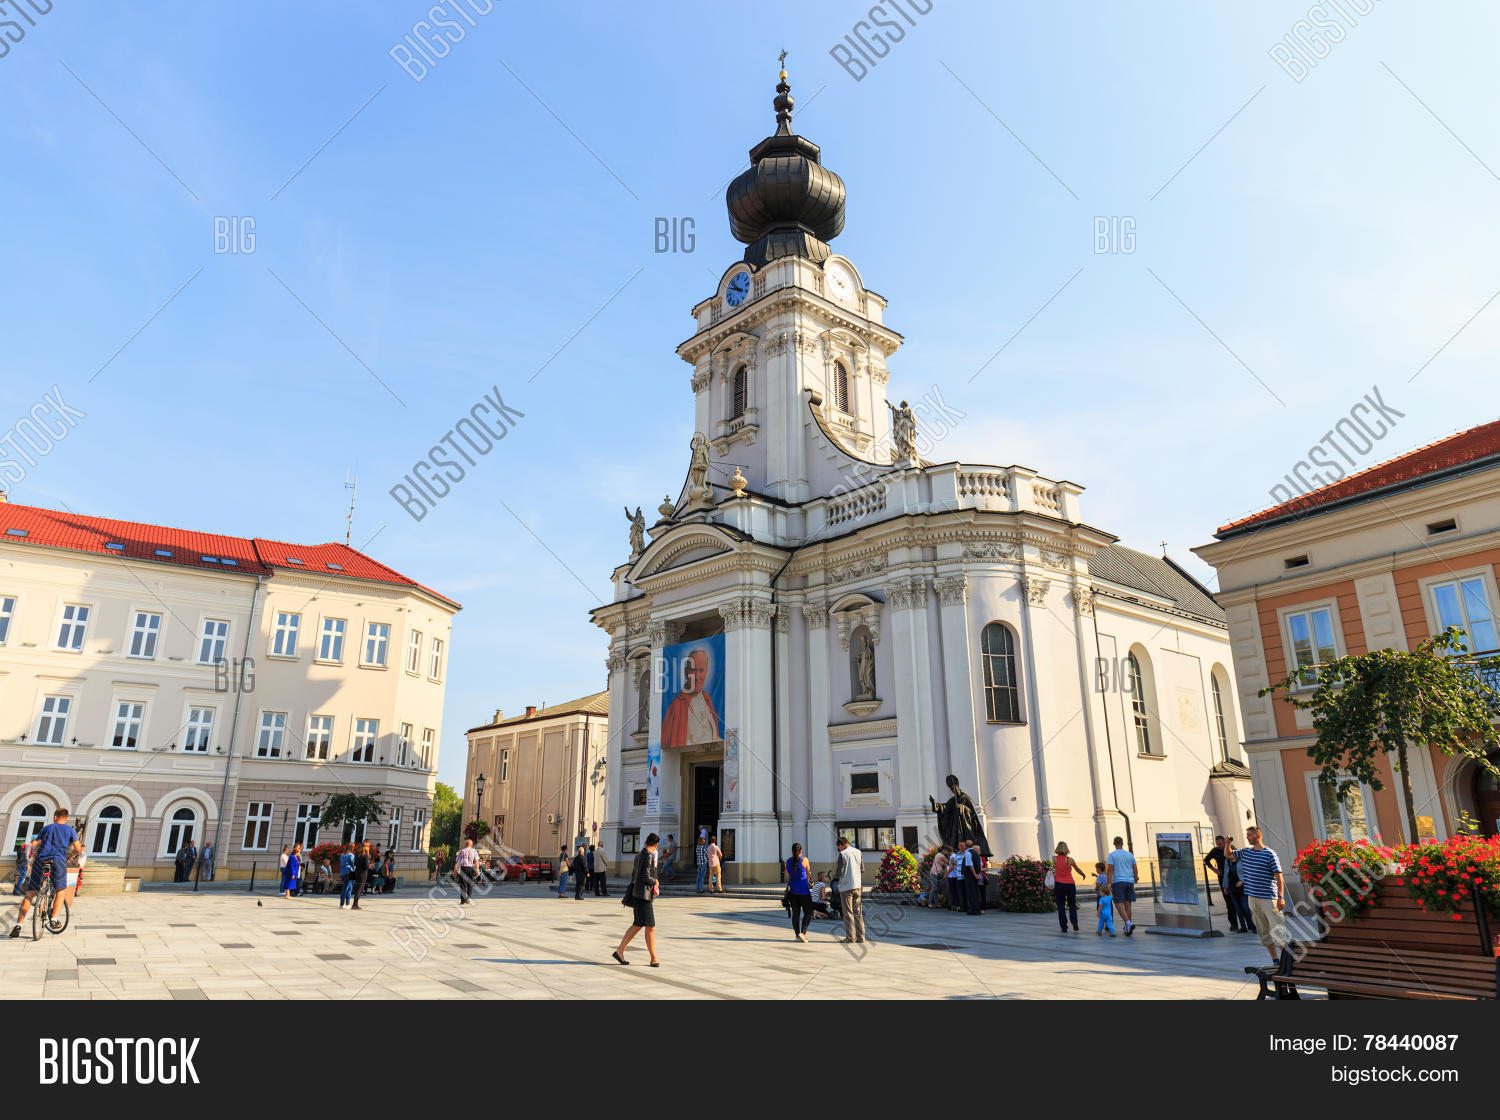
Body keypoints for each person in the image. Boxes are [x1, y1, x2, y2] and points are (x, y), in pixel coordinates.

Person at [10, 809, 78, 937]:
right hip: (58, 860)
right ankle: (54, 919)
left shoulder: (46, 828)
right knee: (60, 891)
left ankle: (18, 925)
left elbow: (38, 845)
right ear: (66, 818)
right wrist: (71, 856)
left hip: (41, 860)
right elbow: (78, 848)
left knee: (30, 894)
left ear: (55, 817)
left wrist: (34, 860)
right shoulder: (70, 830)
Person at [1229, 826, 1286, 965]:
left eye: (1249, 835)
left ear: (1258, 835)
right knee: (1263, 932)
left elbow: (1279, 877)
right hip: (1253, 898)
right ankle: (1275, 960)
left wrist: (1281, 897)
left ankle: (1287, 961)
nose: (1247, 837)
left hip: (1269, 899)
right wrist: (1227, 844)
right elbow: (1228, 854)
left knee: (1278, 931)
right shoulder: (1245, 852)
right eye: (1247, 835)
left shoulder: (1269, 854)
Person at [614, 831, 660, 967]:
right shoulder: (648, 855)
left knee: (638, 924)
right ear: (656, 844)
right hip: (643, 895)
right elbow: (646, 877)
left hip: (637, 893)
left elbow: (635, 874)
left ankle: (620, 951)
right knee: (649, 926)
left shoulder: (639, 854)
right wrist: (655, 881)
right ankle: (653, 958)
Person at [835, 834, 865, 944]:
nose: (839, 849)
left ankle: (850, 937)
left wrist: (835, 877)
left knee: (848, 913)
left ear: (841, 845)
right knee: (858, 913)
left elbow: (840, 872)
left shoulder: (843, 854)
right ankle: (861, 937)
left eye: (838, 847)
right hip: (857, 885)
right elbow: (862, 869)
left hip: (846, 886)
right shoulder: (858, 852)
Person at [1222, 836, 1255, 934]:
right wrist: (1225, 886)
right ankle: (1243, 927)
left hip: (1243, 887)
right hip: (1232, 887)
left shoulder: (1242, 860)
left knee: (1245, 908)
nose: (1229, 855)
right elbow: (1226, 874)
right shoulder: (1227, 861)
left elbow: (1248, 872)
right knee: (1238, 909)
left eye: (1230, 853)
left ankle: (1253, 926)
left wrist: (1242, 880)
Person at [1106, 836, 1138, 935]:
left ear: (1114, 844)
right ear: (1122, 843)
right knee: (1128, 904)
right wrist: (1135, 878)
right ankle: (1127, 927)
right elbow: (1135, 869)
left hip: (1118, 882)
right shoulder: (1130, 855)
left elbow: (1110, 870)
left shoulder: (1112, 855)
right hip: (1129, 881)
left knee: (1118, 903)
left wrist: (1108, 883)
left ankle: (1128, 923)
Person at [1051, 842, 1086, 933]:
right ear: (1066, 849)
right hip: (1070, 884)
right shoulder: (1070, 860)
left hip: (1059, 884)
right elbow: (1077, 869)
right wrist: (1083, 874)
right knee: (1072, 904)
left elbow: (1053, 869)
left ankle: (1064, 927)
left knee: (1061, 906)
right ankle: (1074, 922)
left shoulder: (1054, 859)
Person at [785, 842, 814, 942]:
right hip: (804, 891)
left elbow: (789, 876)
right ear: (801, 851)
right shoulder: (804, 860)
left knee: (796, 913)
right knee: (809, 912)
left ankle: (797, 935)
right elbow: (808, 875)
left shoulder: (787, 862)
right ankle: (803, 933)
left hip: (793, 891)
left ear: (792, 851)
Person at [454, 838, 479, 905]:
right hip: (471, 869)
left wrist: (454, 872)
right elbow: (476, 862)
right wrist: (477, 871)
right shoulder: (474, 851)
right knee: (470, 884)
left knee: (463, 884)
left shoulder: (461, 851)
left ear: (466, 844)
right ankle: (468, 897)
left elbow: (457, 863)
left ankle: (463, 900)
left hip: (463, 869)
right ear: (471, 845)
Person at [1094, 862, 1115, 936]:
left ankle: (1100, 929)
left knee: (1101, 911)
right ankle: (1109, 926)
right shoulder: (1106, 876)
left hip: (1101, 896)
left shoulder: (1099, 877)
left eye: (1096, 868)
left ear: (1099, 869)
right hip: (1108, 896)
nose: (1096, 870)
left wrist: (1096, 889)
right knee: (1109, 908)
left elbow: (1098, 884)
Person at [963, 838, 983, 915]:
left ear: (965, 846)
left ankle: (973, 909)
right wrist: (978, 874)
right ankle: (977, 908)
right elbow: (980, 865)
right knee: (976, 891)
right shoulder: (976, 854)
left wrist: (974, 874)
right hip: (976, 875)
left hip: (970, 875)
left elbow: (970, 865)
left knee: (971, 892)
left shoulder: (968, 853)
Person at [946, 840, 966, 912]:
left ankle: (956, 905)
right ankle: (957, 905)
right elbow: (955, 865)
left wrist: (946, 874)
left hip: (954, 876)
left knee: (954, 891)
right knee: (956, 891)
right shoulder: (956, 855)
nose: (961, 847)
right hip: (957, 875)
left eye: (963, 845)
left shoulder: (953, 856)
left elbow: (952, 866)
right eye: (960, 845)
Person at [350, 842, 371, 910]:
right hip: (363, 874)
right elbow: (367, 866)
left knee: (357, 889)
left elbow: (355, 863)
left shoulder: (357, 855)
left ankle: (355, 904)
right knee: (360, 890)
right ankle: (355, 905)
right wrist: (369, 865)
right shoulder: (365, 856)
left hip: (357, 873)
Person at [338, 843, 356, 908]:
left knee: (347, 888)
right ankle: (343, 904)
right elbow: (353, 864)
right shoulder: (351, 855)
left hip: (342, 872)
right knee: (347, 889)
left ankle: (344, 904)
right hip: (349, 872)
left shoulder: (342, 855)